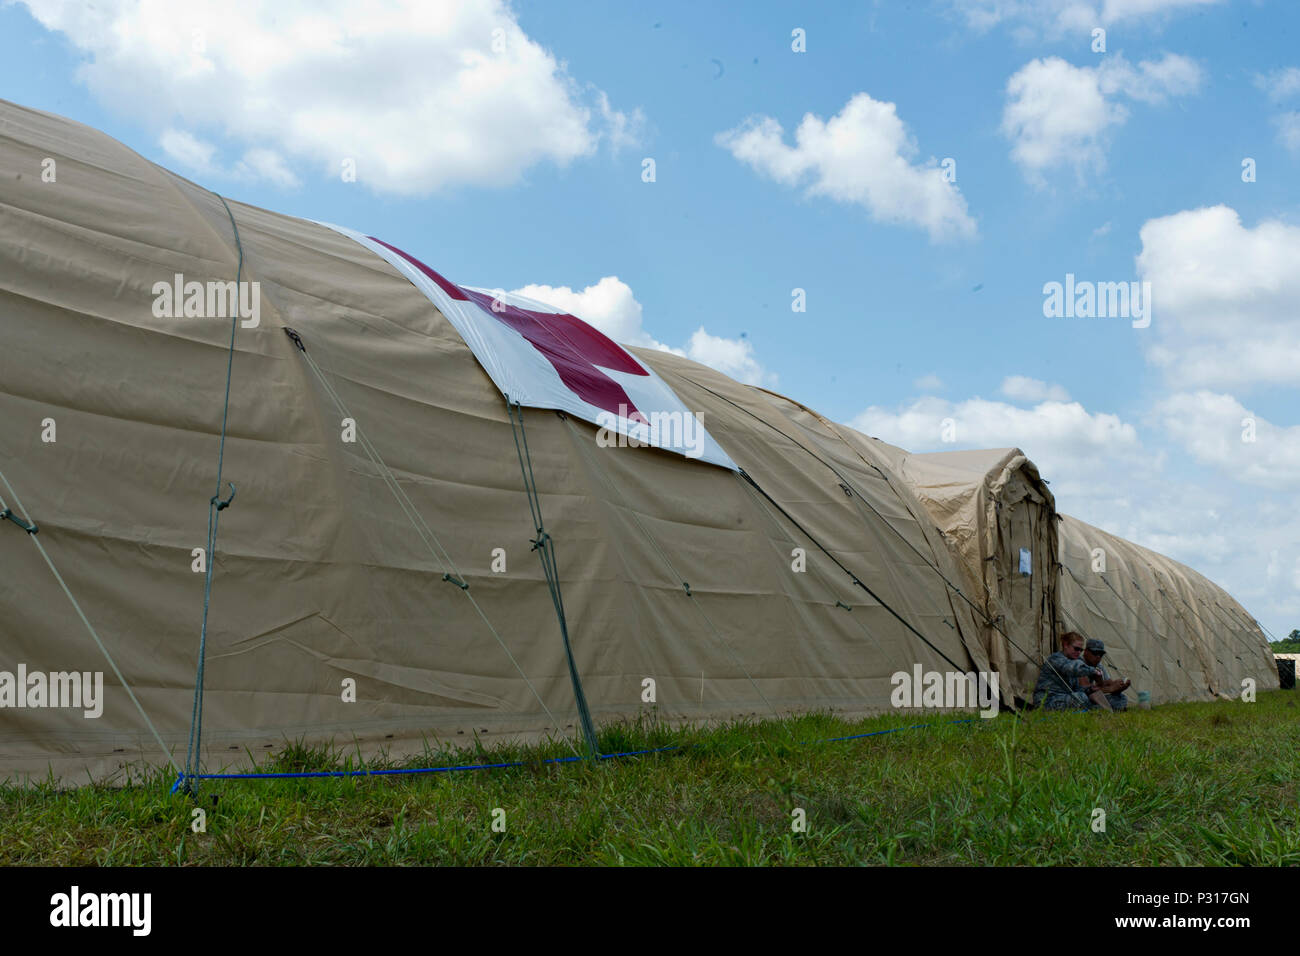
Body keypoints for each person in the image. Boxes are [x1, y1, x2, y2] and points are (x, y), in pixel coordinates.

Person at [1032, 631, 1110, 711]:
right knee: (1081, 698)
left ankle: (1102, 710)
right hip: (1046, 701)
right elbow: (1071, 668)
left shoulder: (1073, 661)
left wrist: (1090, 689)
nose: (1078, 652)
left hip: (1062, 698)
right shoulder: (1056, 659)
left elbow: (1076, 689)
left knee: (1094, 698)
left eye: (1080, 650)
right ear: (1066, 645)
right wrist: (1093, 671)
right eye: (1076, 649)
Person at [1078, 638, 1131, 711]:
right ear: (1086, 652)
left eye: (1101, 654)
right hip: (1079, 696)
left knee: (1121, 697)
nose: (1098, 657)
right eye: (1095, 653)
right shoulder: (1078, 663)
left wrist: (1120, 686)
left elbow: (1109, 683)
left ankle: (1104, 708)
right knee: (1084, 698)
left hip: (1092, 696)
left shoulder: (1098, 665)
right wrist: (1110, 689)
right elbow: (1085, 690)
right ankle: (1103, 709)